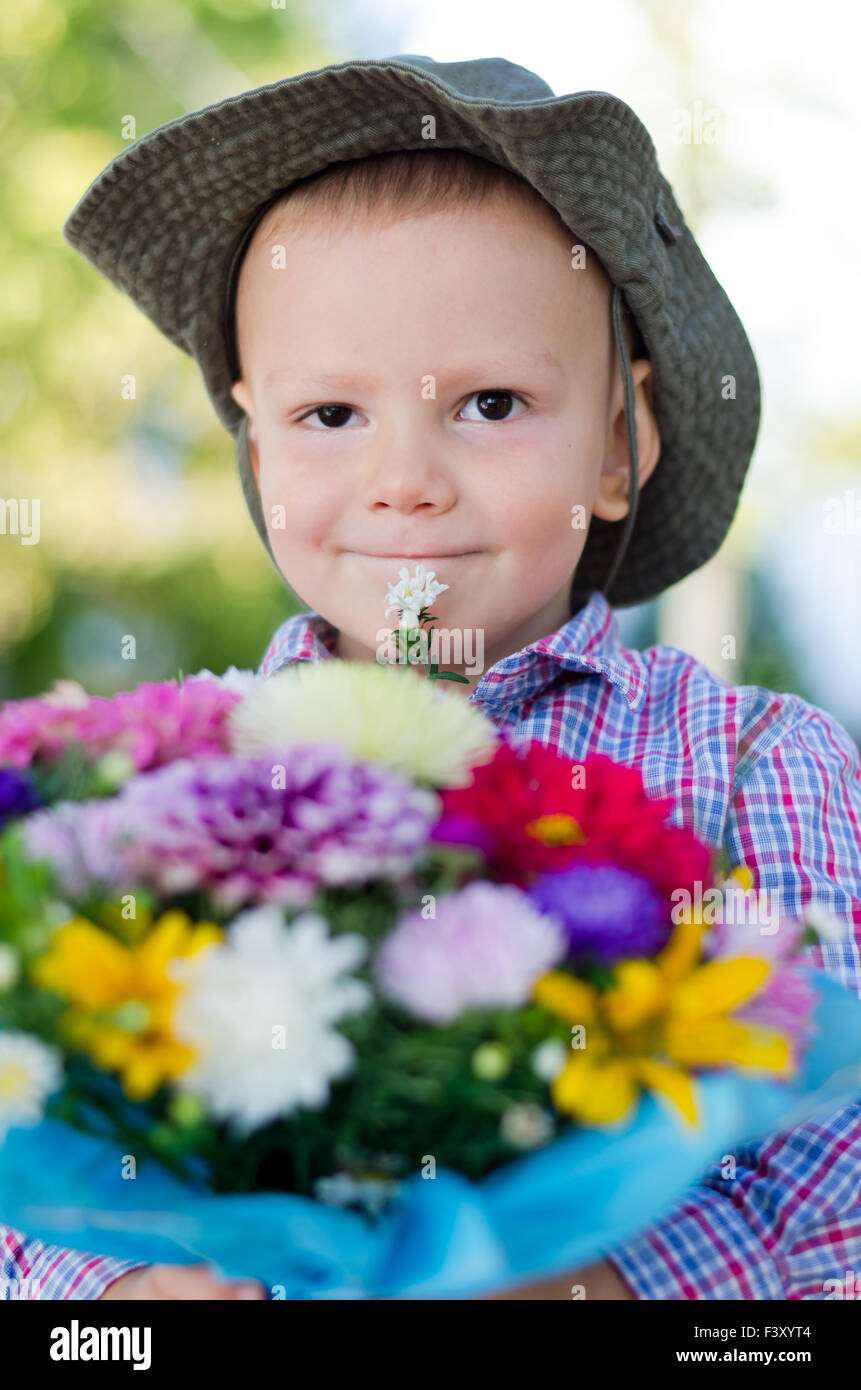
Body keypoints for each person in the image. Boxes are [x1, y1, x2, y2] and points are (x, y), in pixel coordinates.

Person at [5, 55, 859, 1300]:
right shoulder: (158, 780)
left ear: (623, 443)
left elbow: (837, 1168)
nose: (406, 480)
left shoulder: (759, 766)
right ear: (254, 439)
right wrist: (122, 1299)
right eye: (331, 417)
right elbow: (41, 1098)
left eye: (492, 402)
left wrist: (601, 1290)